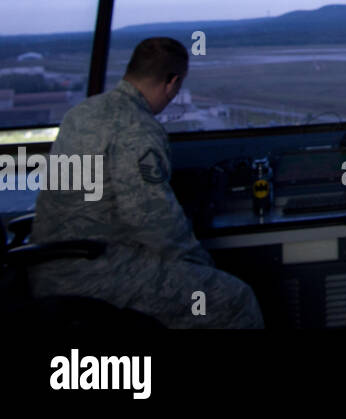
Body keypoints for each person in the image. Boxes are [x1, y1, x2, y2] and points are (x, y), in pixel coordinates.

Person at [30, 37, 264, 328]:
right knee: (234, 299)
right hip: (98, 274)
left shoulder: (81, 113)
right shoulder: (137, 128)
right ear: (172, 82)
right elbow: (150, 218)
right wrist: (198, 261)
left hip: (49, 268)